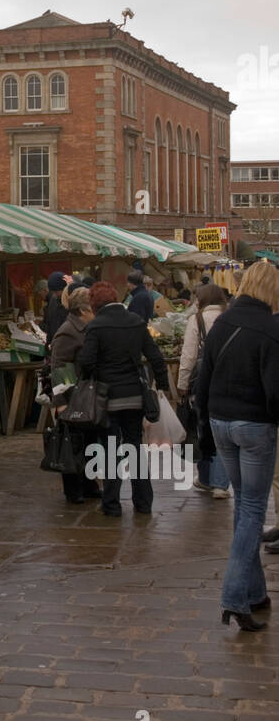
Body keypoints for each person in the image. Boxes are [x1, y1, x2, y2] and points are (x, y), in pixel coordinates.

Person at [195, 259, 279, 630]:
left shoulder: (222, 323)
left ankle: (255, 593)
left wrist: (203, 430)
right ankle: (233, 598)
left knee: (244, 508)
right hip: (254, 426)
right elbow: (275, 392)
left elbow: (203, 379)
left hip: (220, 422)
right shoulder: (270, 329)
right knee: (252, 511)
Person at [78, 280, 169, 517]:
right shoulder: (136, 322)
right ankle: (143, 502)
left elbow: (86, 362)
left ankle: (112, 504)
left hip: (107, 398)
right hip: (135, 396)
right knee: (135, 447)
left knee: (110, 450)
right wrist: (164, 387)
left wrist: (91, 377)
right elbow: (155, 358)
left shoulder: (95, 327)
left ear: (95, 304)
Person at [177, 283, 230, 497]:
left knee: (203, 428)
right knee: (221, 429)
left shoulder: (196, 320)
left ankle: (212, 479)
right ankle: (214, 480)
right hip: (227, 381)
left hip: (202, 382)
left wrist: (182, 383)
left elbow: (189, 356)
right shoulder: (230, 318)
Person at [50, 287, 101, 505]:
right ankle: (73, 489)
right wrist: (61, 401)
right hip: (73, 396)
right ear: (83, 310)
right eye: (93, 308)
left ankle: (89, 484)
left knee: (89, 441)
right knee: (73, 443)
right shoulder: (68, 331)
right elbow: (58, 367)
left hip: (87, 394)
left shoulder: (87, 328)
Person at [42, 271, 68, 344]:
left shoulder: (71, 303)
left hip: (66, 345)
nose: (54, 294)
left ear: (64, 288)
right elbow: (50, 323)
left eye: (56, 291)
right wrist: (48, 343)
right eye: (53, 291)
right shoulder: (53, 301)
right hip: (55, 343)